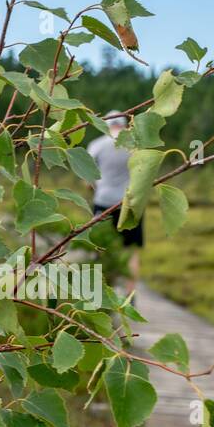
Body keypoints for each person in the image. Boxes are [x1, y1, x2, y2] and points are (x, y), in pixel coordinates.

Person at [88, 112, 142, 294]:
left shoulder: (96, 145)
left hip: (103, 202)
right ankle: (130, 294)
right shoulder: (135, 146)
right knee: (131, 251)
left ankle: (102, 292)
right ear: (126, 125)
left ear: (106, 124)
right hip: (130, 204)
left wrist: (97, 188)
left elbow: (88, 177)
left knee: (100, 247)